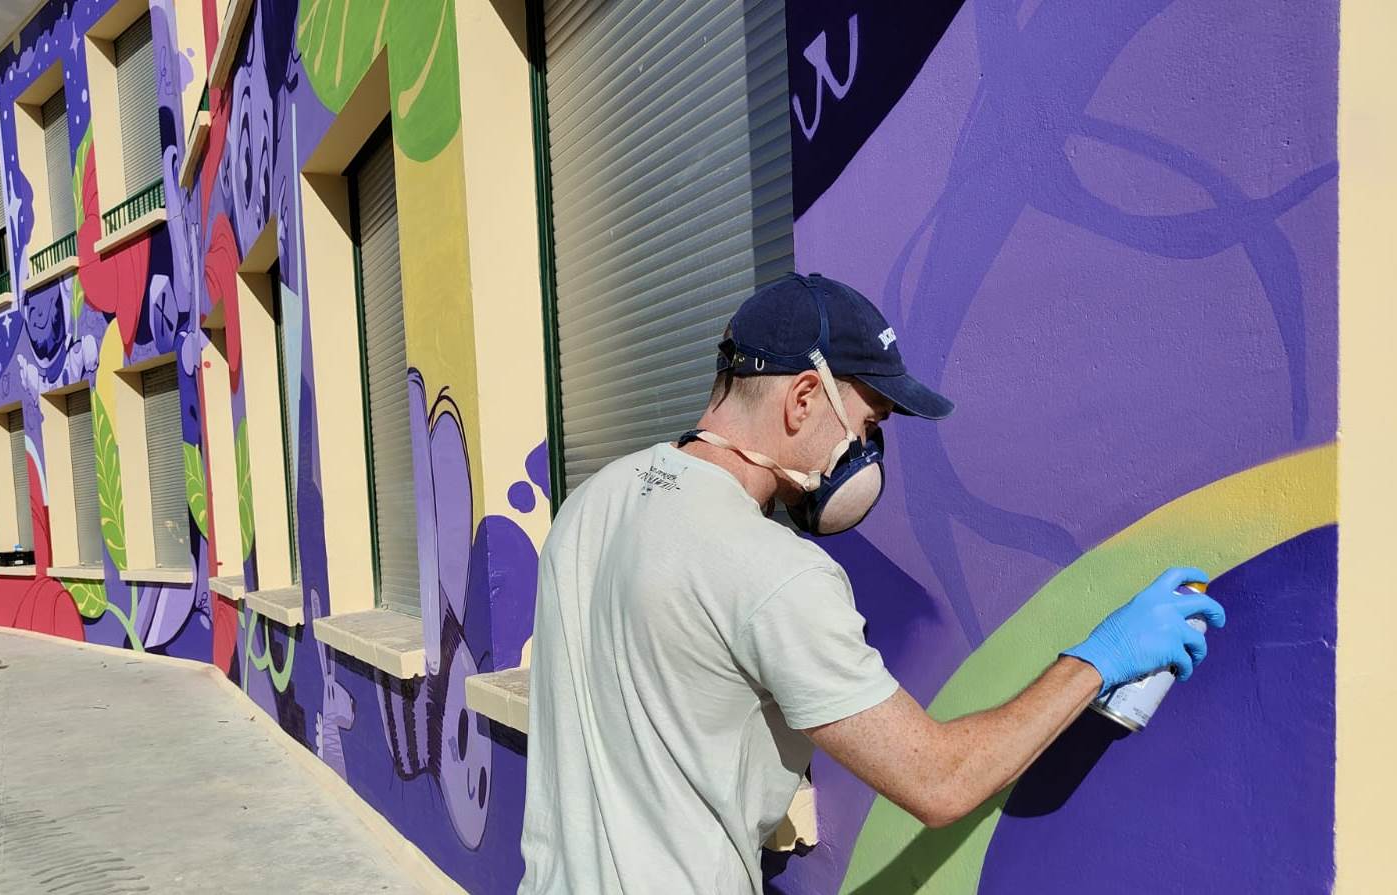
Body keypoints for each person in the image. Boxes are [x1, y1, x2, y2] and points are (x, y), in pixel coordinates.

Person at [517, 274, 1226, 894]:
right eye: (868, 421)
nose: (867, 452)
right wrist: (1101, 657)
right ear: (802, 399)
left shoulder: (593, 501)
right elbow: (941, 781)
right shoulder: (772, 569)